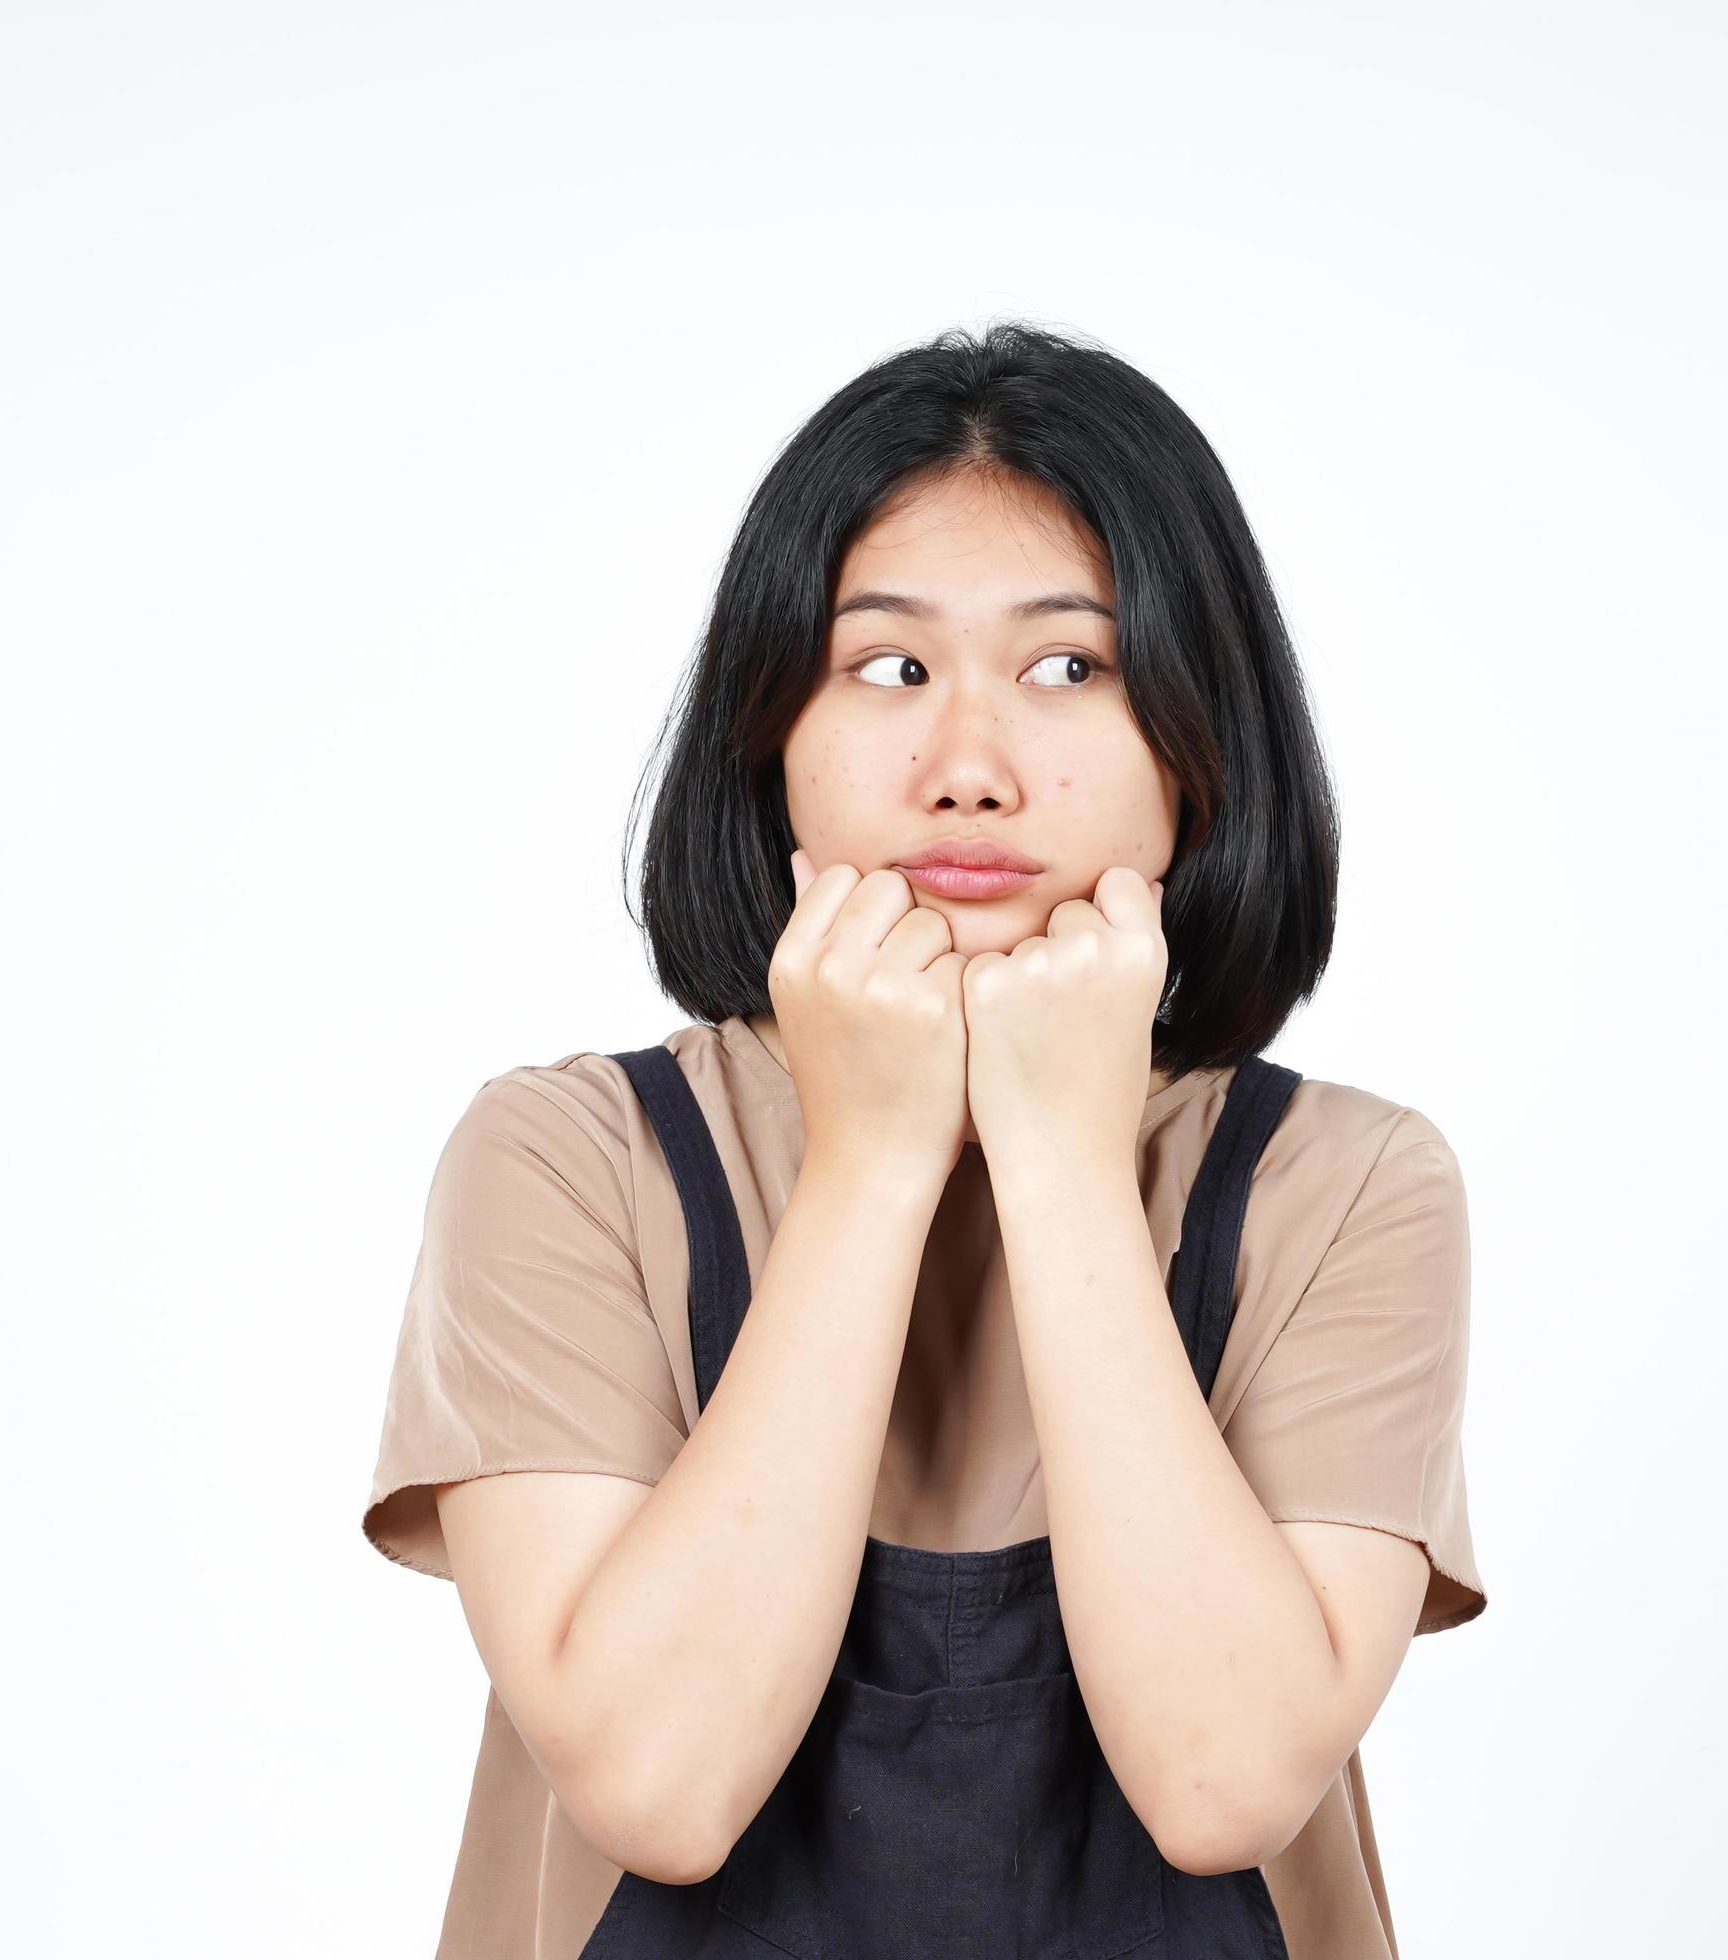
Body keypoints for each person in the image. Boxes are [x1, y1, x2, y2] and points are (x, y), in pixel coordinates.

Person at [358, 322, 1487, 1959]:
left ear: (1199, 741)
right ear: (771, 738)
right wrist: (879, 1158)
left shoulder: (1348, 1189)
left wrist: (1054, 1154)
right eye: (887, 668)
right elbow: (660, 1791)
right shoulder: (567, 1161)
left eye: (1069, 670)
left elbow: (1223, 1781)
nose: (967, 771)